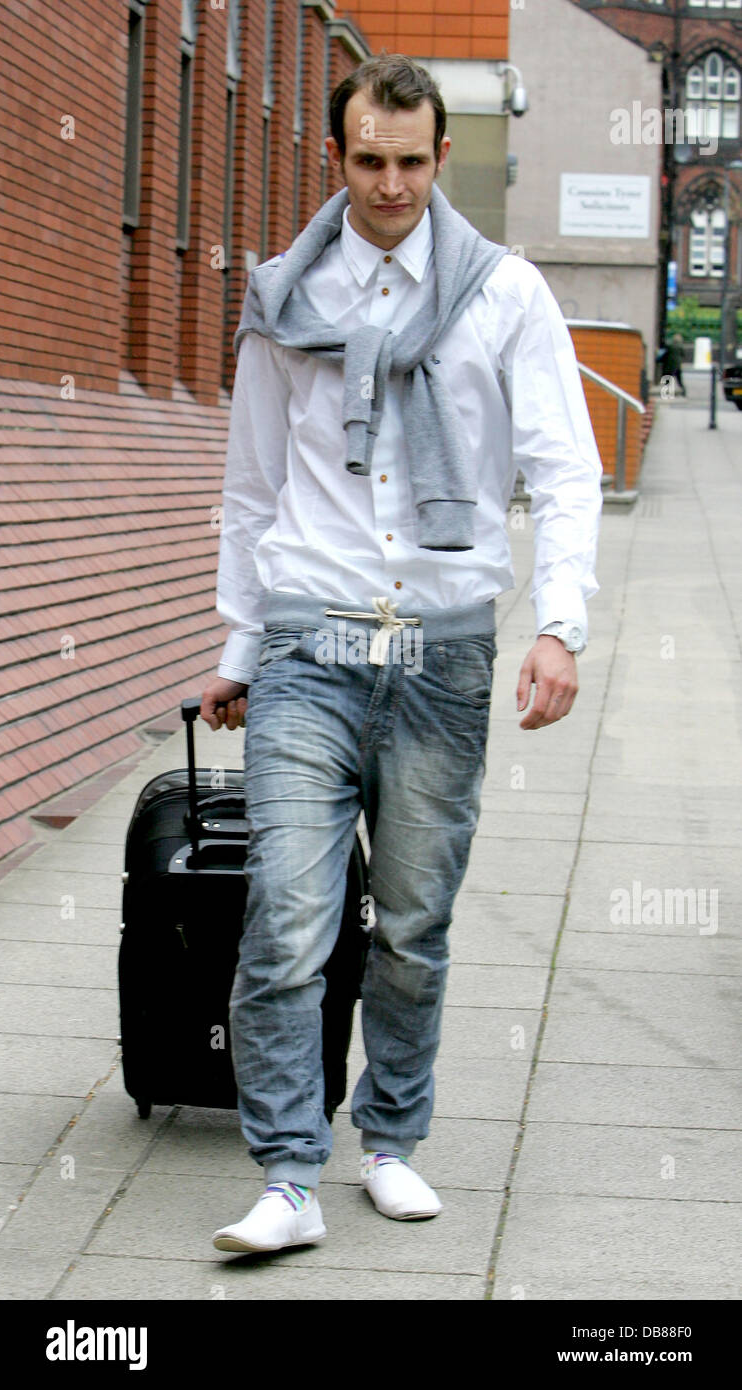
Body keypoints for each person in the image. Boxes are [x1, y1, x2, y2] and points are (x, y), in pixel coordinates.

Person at [202, 53, 602, 1256]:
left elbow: (562, 468)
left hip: (443, 656)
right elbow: (252, 489)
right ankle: (284, 1170)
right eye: (367, 160)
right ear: (336, 156)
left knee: (412, 924)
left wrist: (558, 623)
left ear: (441, 158)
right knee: (285, 918)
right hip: (306, 648)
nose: (388, 184)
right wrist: (236, 644)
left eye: (410, 162)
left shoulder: (505, 294)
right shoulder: (284, 295)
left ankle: (387, 1140)